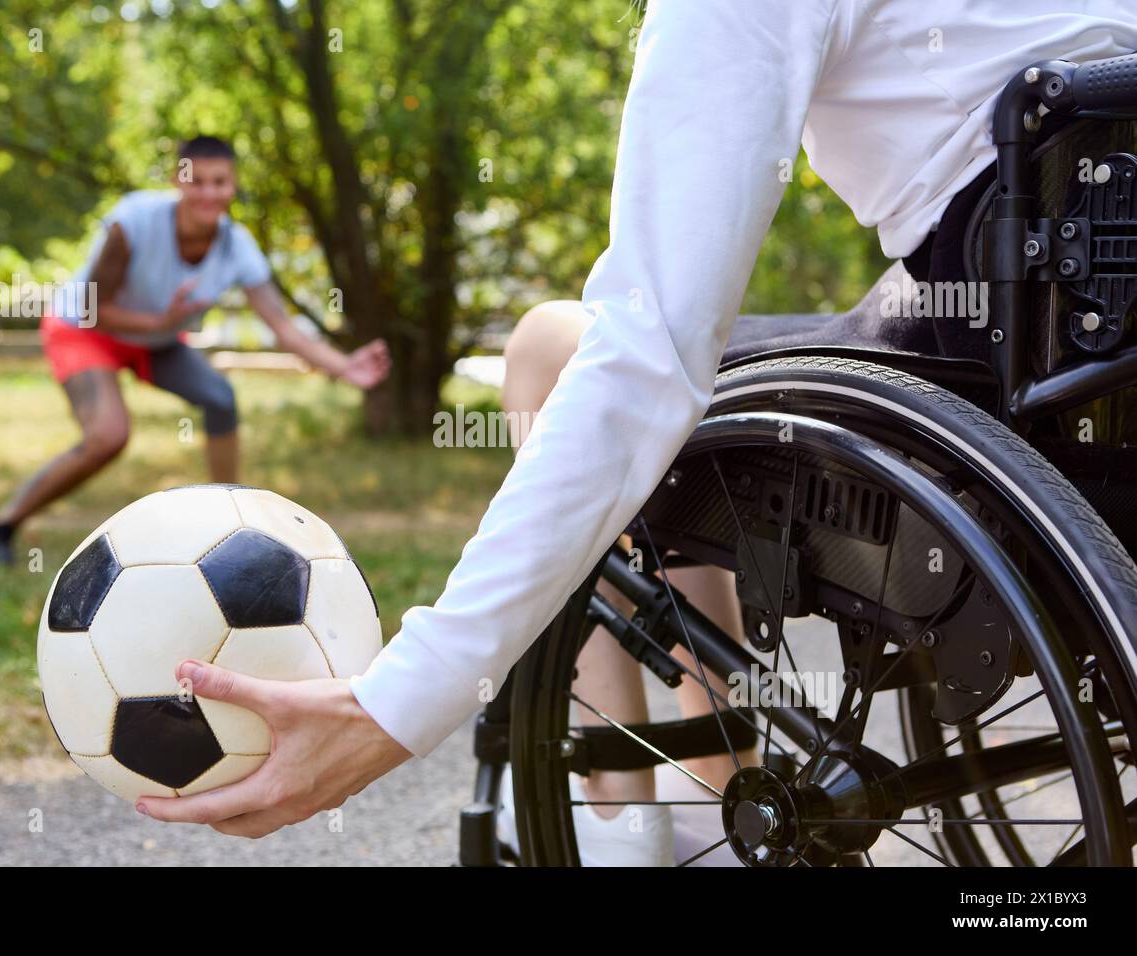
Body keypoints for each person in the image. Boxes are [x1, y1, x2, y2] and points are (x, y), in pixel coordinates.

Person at [134, 0, 1137, 858]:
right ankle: (697, 775)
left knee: (552, 351)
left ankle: (636, 814)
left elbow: (652, 348)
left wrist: (399, 700)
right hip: (1095, 332)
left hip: (1030, 314)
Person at [0, 136, 391, 565]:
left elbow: (284, 329)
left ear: (233, 186)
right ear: (178, 179)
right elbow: (90, 310)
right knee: (108, 437)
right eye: (198, 181)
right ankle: (1, 527)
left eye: (221, 182)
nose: (209, 193)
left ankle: (235, 529)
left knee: (220, 398)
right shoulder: (133, 222)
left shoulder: (237, 246)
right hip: (82, 329)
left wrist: (345, 366)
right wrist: (160, 322)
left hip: (157, 340)